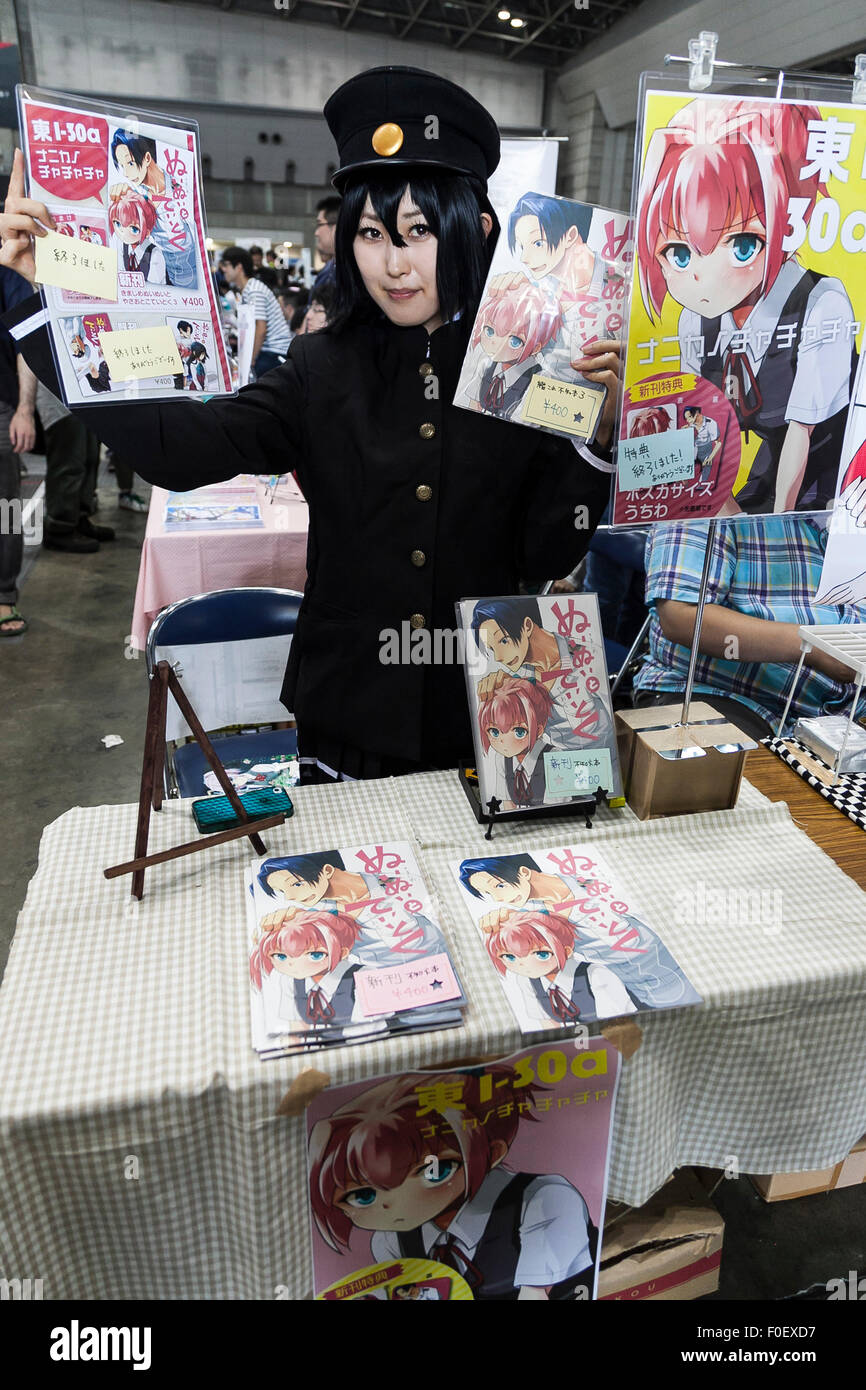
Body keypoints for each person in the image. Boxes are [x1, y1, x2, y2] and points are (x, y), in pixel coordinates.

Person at [0, 64, 619, 781]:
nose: (394, 263)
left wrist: (594, 443)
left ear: (476, 229)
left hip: (486, 725)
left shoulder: (524, 370)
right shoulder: (320, 369)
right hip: (346, 717)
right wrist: (34, 310)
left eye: (419, 231)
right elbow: (178, 450)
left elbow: (539, 558)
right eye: (370, 233)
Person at [635, 98, 857, 514]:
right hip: (772, 463)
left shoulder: (820, 304)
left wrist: (768, 533)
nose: (703, 277)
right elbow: (699, 426)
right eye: (679, 254)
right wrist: (719, 510)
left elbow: (801, 435)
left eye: (741, 245)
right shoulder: (695, 322)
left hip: (839, 475)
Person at [308, 1063, 598, 1299]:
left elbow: (536, 1297)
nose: (394, 1205)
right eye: (362, 1195)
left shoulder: (544, 1200)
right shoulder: (391, 1240)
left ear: (492, 1153)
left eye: (436, 1170)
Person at [633, 516, 866, 739]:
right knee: (736, 773)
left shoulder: (850, 498)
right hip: (721, 694)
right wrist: (814, 648)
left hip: (849, 707)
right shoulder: (711, 490)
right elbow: (681, 618)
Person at [0, 265, 36, 635]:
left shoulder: (9, 276)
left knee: (6, 508)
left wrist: (25, 409)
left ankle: (3, 595)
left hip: (1, 407)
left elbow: (26, 343)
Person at [218, 245, 289, 378]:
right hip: (269, 351)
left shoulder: (254, 290)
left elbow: (261, 329)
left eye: (226, 265)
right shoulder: (249, 289)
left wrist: (250, 361)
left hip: (275, 352)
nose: (223, 269)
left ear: (239, 267)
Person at [312, 194, 340, 294]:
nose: (316, 233)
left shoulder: (354, 275)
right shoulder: (330, 268)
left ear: (337, 228)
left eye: (320, 224)